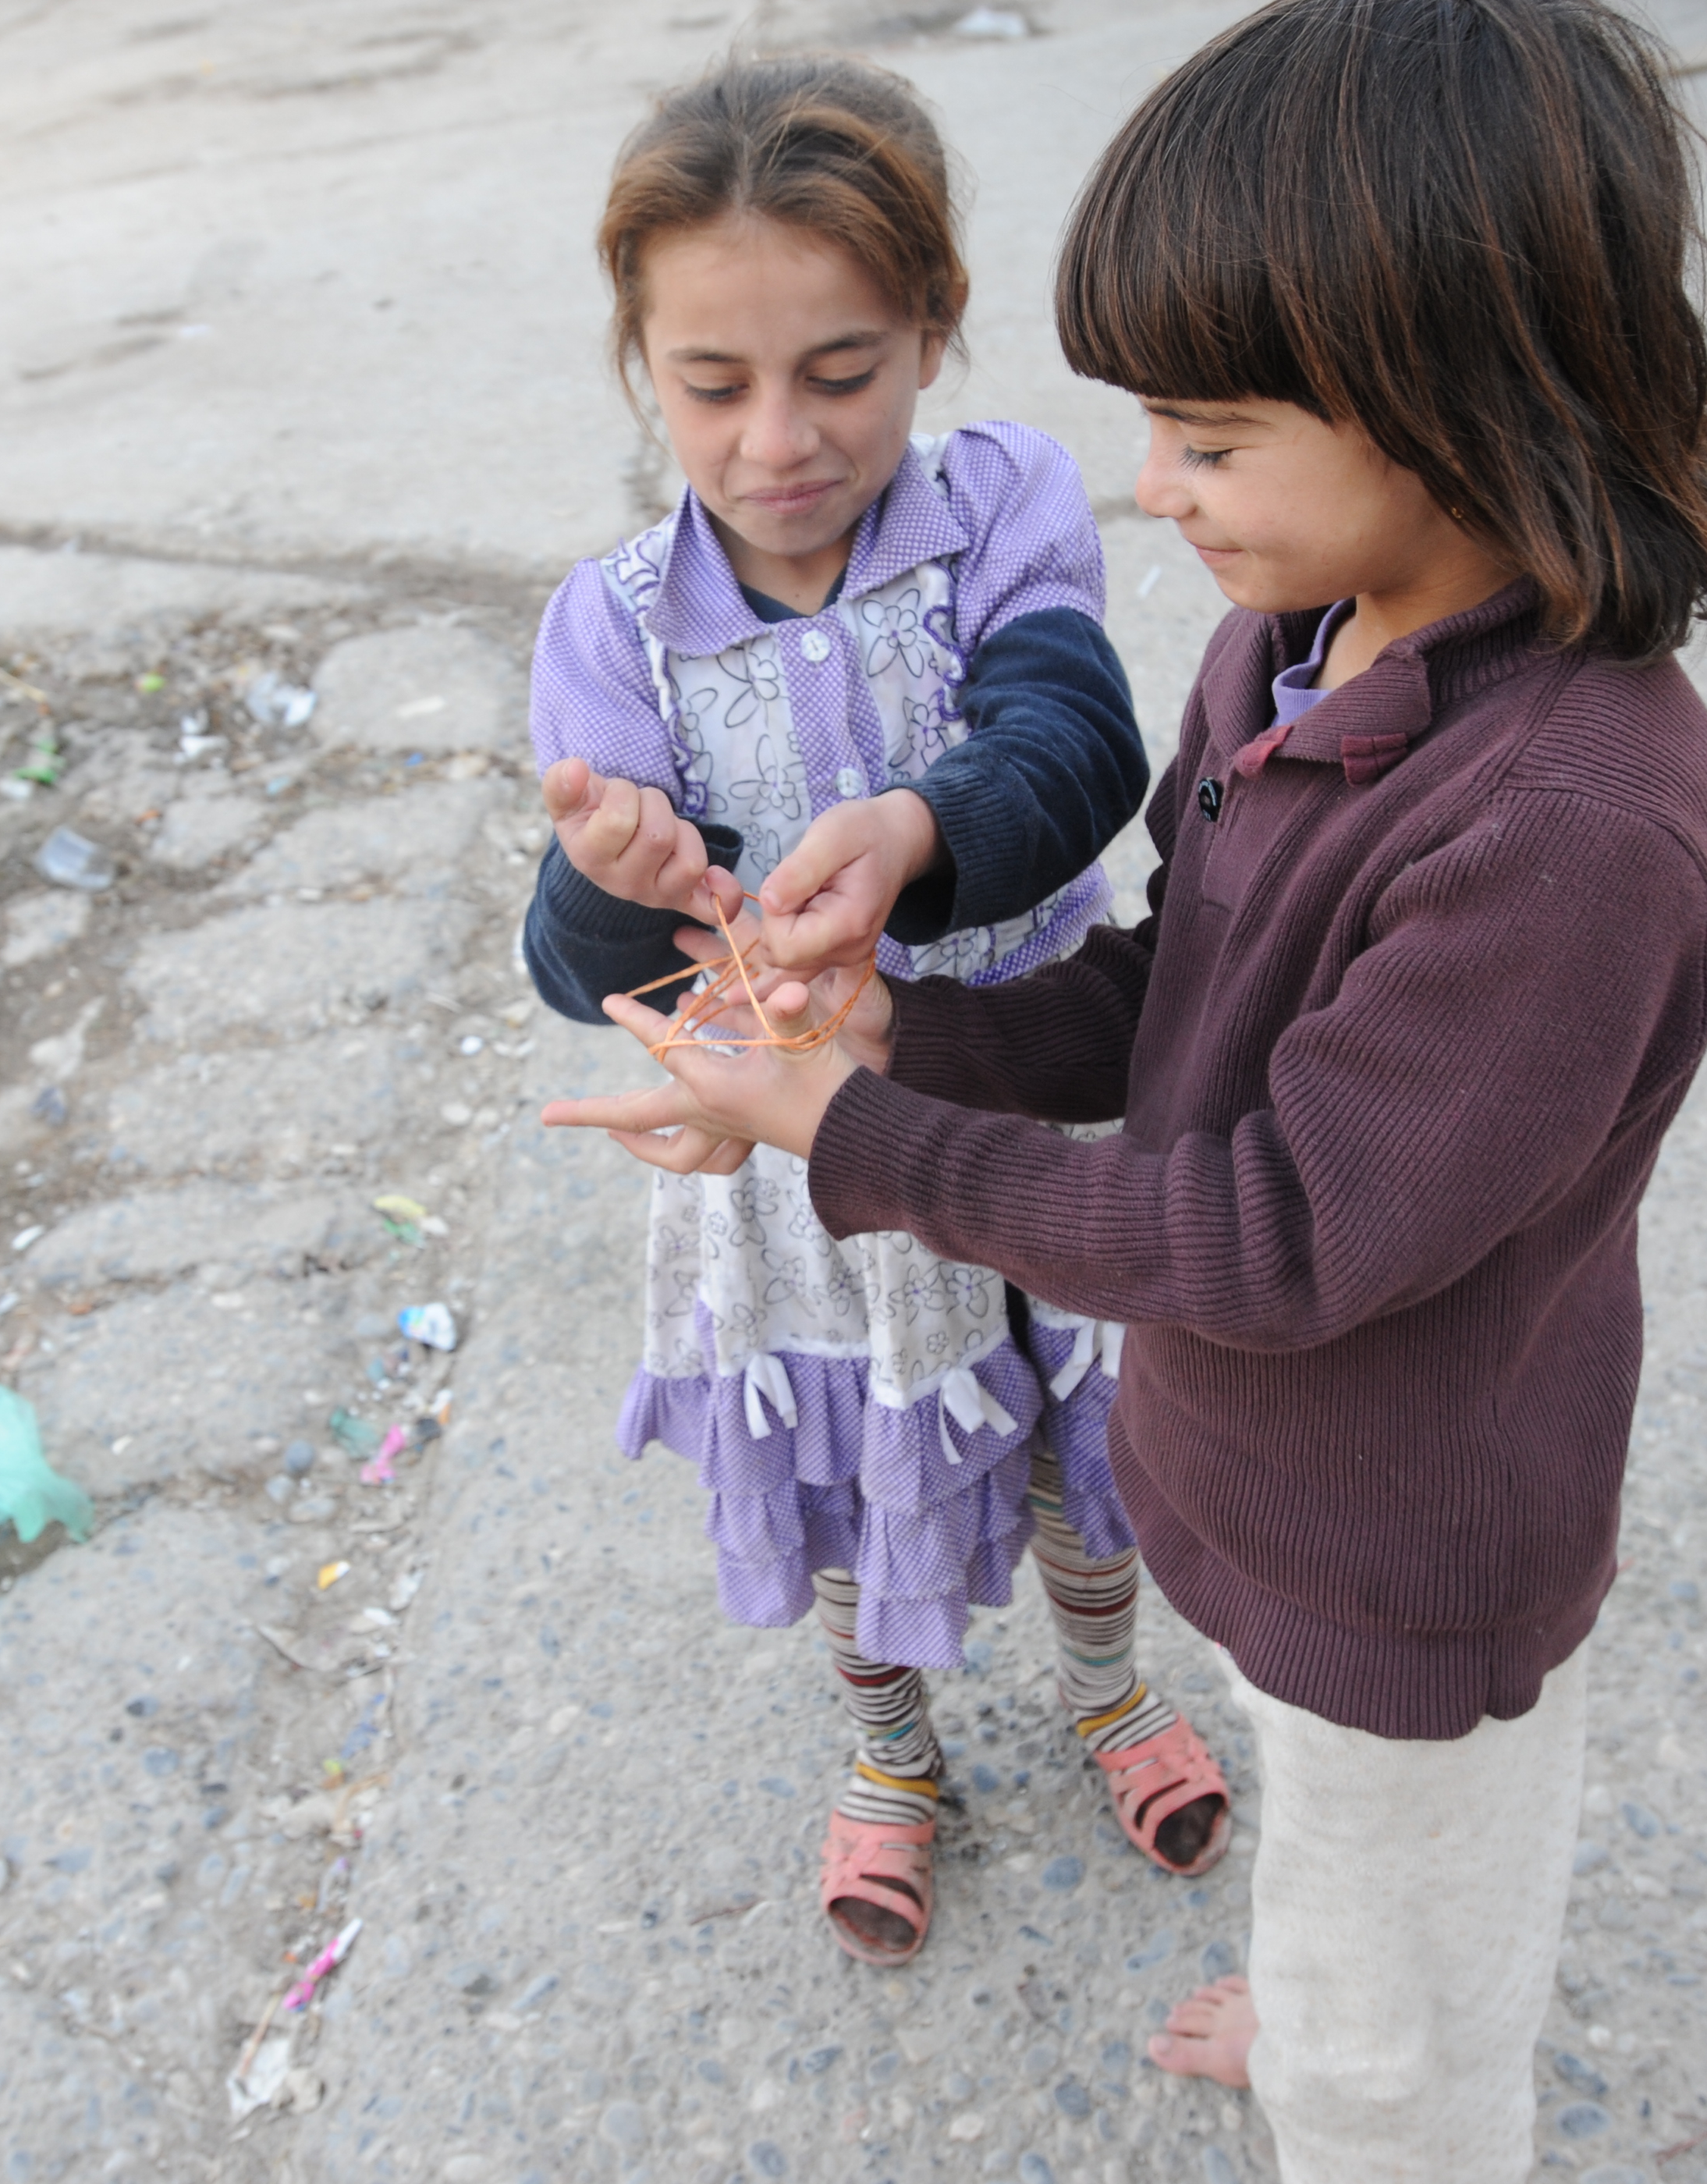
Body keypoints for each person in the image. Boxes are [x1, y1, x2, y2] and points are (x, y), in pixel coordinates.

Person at [545, 0, 1707, 2184]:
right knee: (1351, 1903)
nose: (1154, 489)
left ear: (1465, 402)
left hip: (1409, 1552)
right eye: (1158, 427)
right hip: (1260, 1480)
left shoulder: (1573, 832)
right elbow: (1174, 988)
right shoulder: (1304, 638)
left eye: (1213, 438)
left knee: (1401, 2046)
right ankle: (1340, 2012)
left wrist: (844, 1136)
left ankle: (1373, 2092)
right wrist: (884, 1042)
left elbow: (1275, 1231)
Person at [524, 51, 1233, 1969]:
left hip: (1030, 1091)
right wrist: (613, 881)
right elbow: (588, 974)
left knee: (1082, 1447)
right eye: (712, 383)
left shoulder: (999, 509)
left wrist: (921, 828)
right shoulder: (611, 627)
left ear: (933, 327)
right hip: (801, 1165)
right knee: (852, 1479)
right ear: (639, 363)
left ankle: (1106, 1688)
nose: (779, 440)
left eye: (841, 371)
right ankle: (888, 1747)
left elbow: (1072, 743)